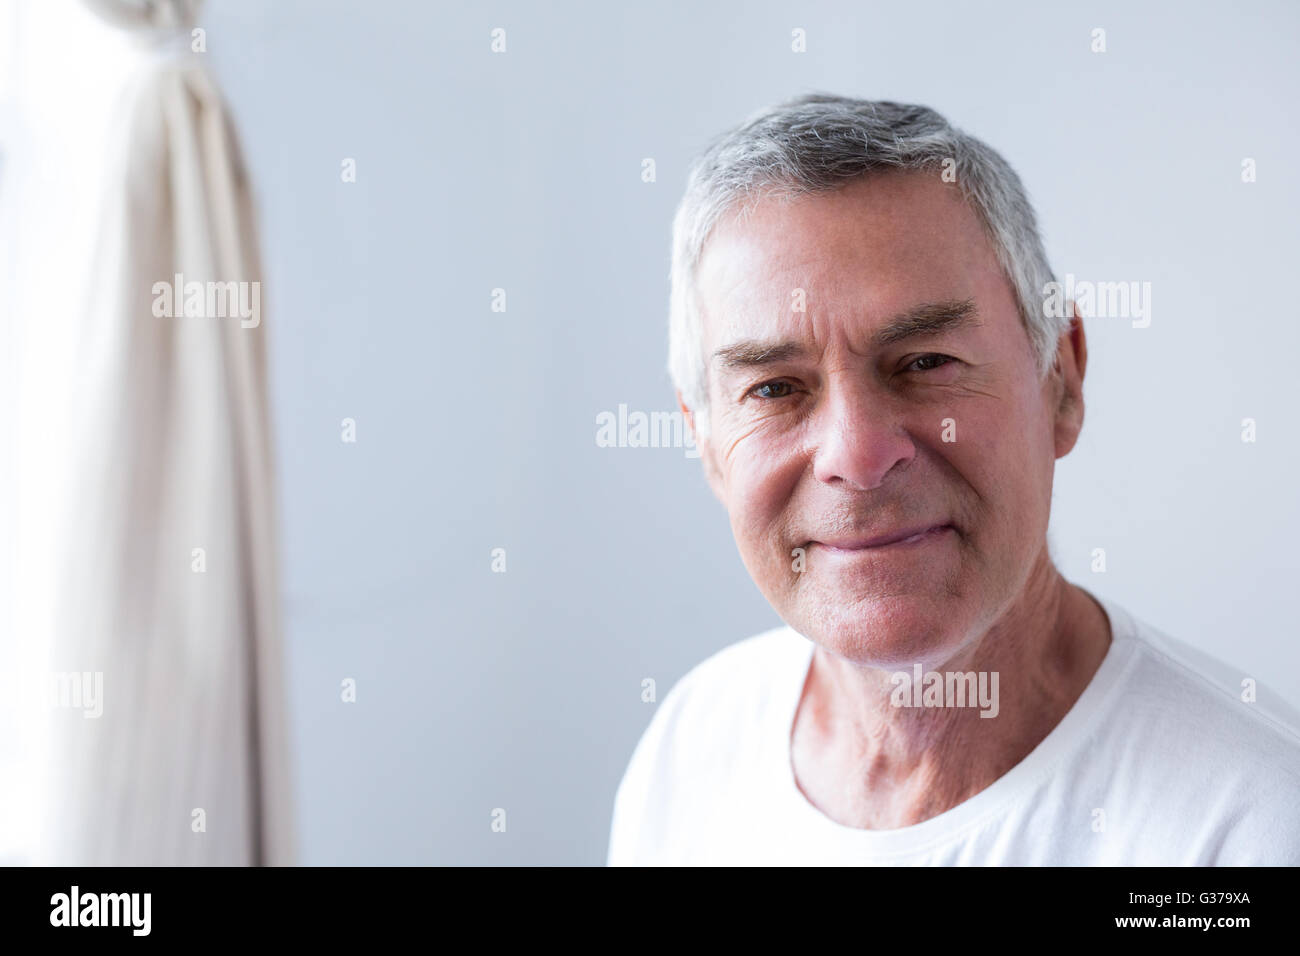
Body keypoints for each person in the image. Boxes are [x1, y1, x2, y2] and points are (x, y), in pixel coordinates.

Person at [607, 94, 1300, 866]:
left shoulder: (1250, 827)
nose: (859, 456)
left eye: (926, 363)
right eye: (774, 389)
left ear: (1061, 381)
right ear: (706, 442)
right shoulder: (692, 747)